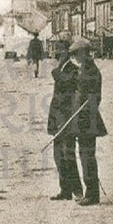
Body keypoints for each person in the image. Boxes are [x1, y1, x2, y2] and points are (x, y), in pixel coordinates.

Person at [69, 37, 108, 206]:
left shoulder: (91, 71)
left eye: (77, 54)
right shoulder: (85, 69)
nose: (75, 58)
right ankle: (90, 192)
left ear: (84, 54)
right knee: (85, 156)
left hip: (88, 119)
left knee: (87, 157)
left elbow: (94, 96)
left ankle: (92, 195)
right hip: (81, 119)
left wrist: (87, 105)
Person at [47, 39, 83, 201]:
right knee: (58, 155)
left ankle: (77, 190)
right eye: (56, 50)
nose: (57, 53)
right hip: (57, 116)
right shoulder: (61, 68)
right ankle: (65, 190)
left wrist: (56, 70)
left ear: (67, 52)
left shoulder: (73, 70)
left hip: (68, 118)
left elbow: (64, 82)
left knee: (68, 154)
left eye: (60, 50)